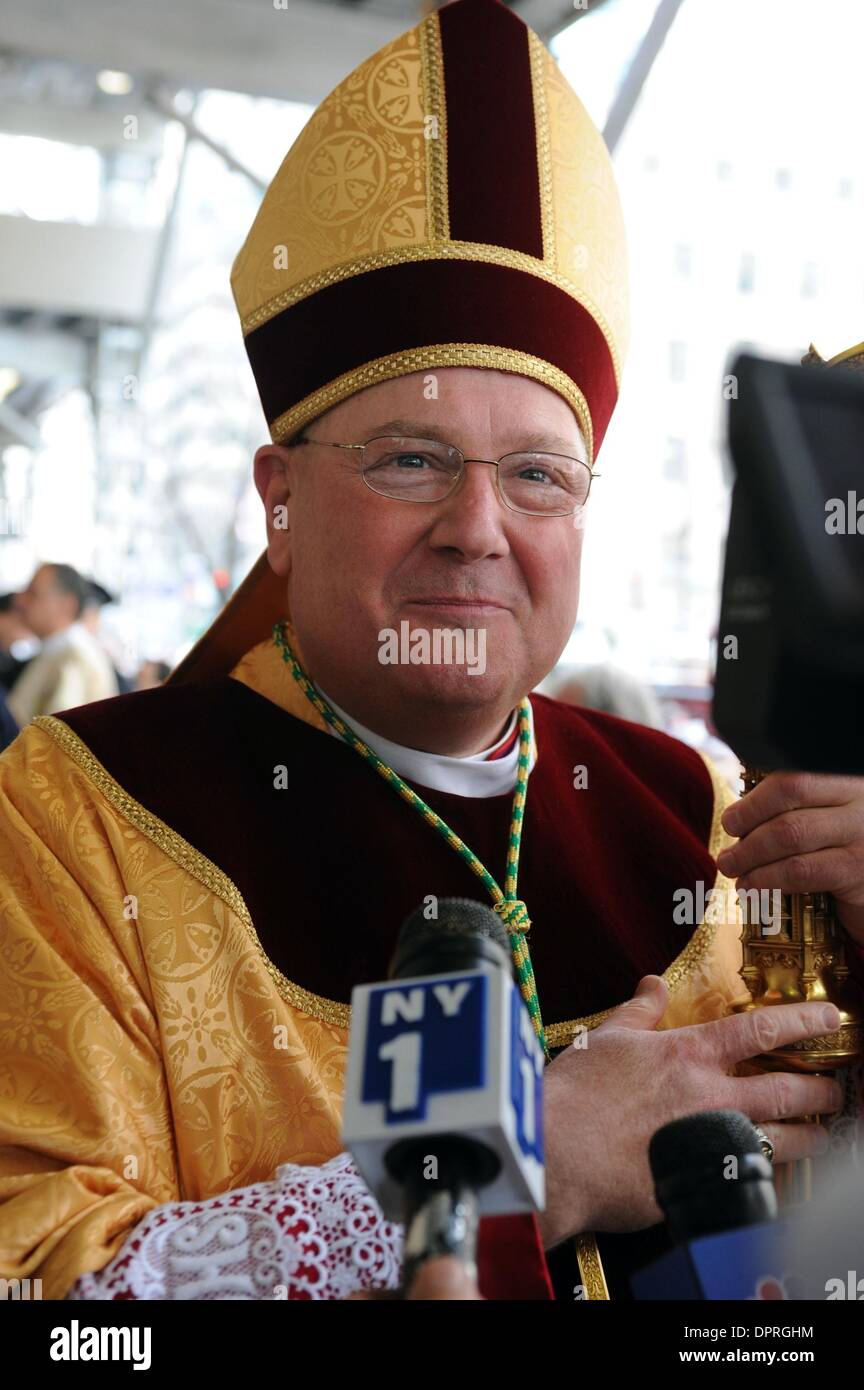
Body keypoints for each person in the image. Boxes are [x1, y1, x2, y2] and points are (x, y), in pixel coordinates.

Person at [0, 0, 862, 1303]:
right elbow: (45, 1291)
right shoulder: (79, 814)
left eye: (537, 475)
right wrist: (535, 1155)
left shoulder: (706, 812)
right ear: (278, 498)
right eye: (412, 458)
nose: (477, 530)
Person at [6, 563, 119, 726]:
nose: (20, 601)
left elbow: (57, 738)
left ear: (67, 604)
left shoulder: (72, 656)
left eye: (33, 593)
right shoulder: (61, 650)